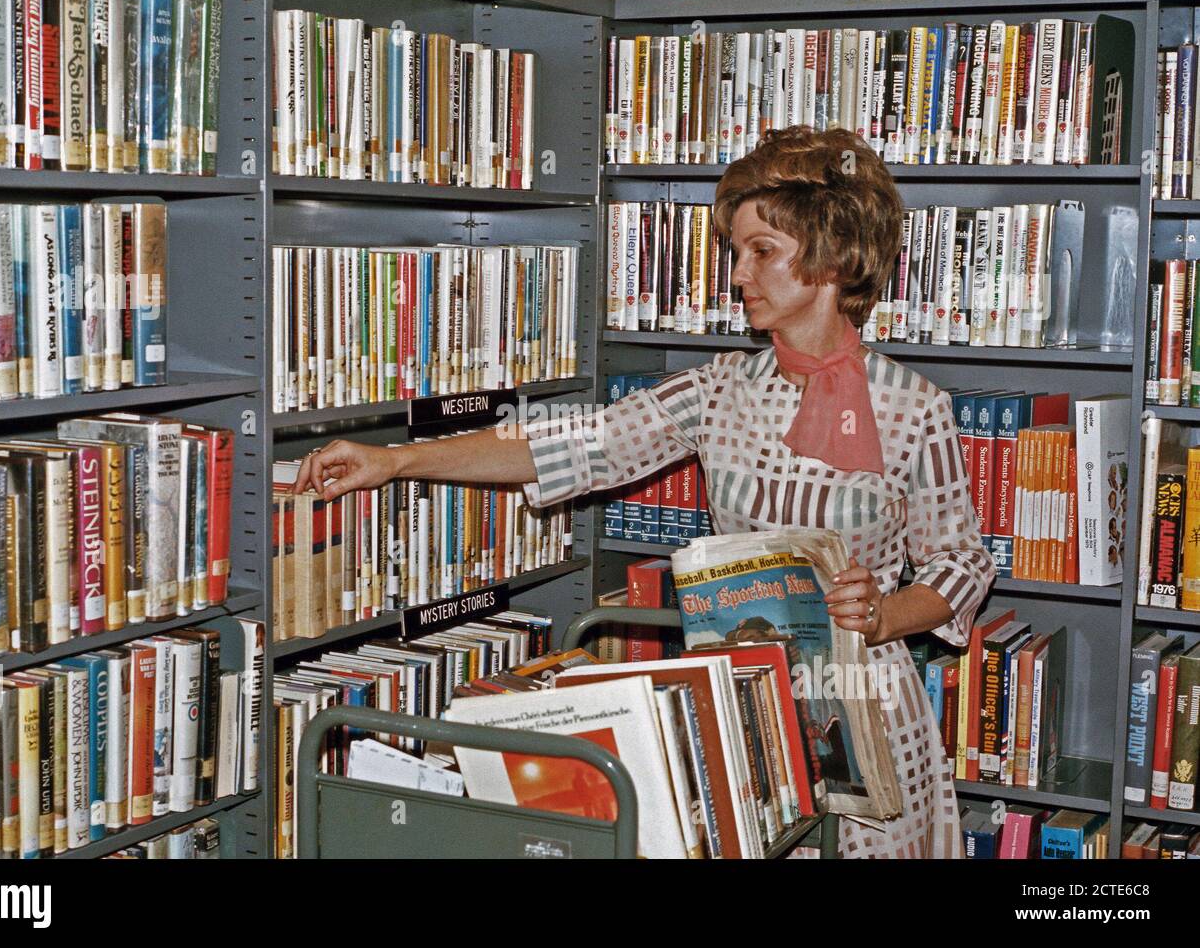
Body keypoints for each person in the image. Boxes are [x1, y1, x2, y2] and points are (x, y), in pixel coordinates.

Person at [294, 124, 998, 858]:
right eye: (735, 251)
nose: (738, 274)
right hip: (743, 709)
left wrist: (884, 615)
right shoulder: (719, 388)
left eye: (762, 251)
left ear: (832, 255)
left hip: (872, 714)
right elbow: (572, 443)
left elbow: (961, 562)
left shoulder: (914, 406)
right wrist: (396, 461)